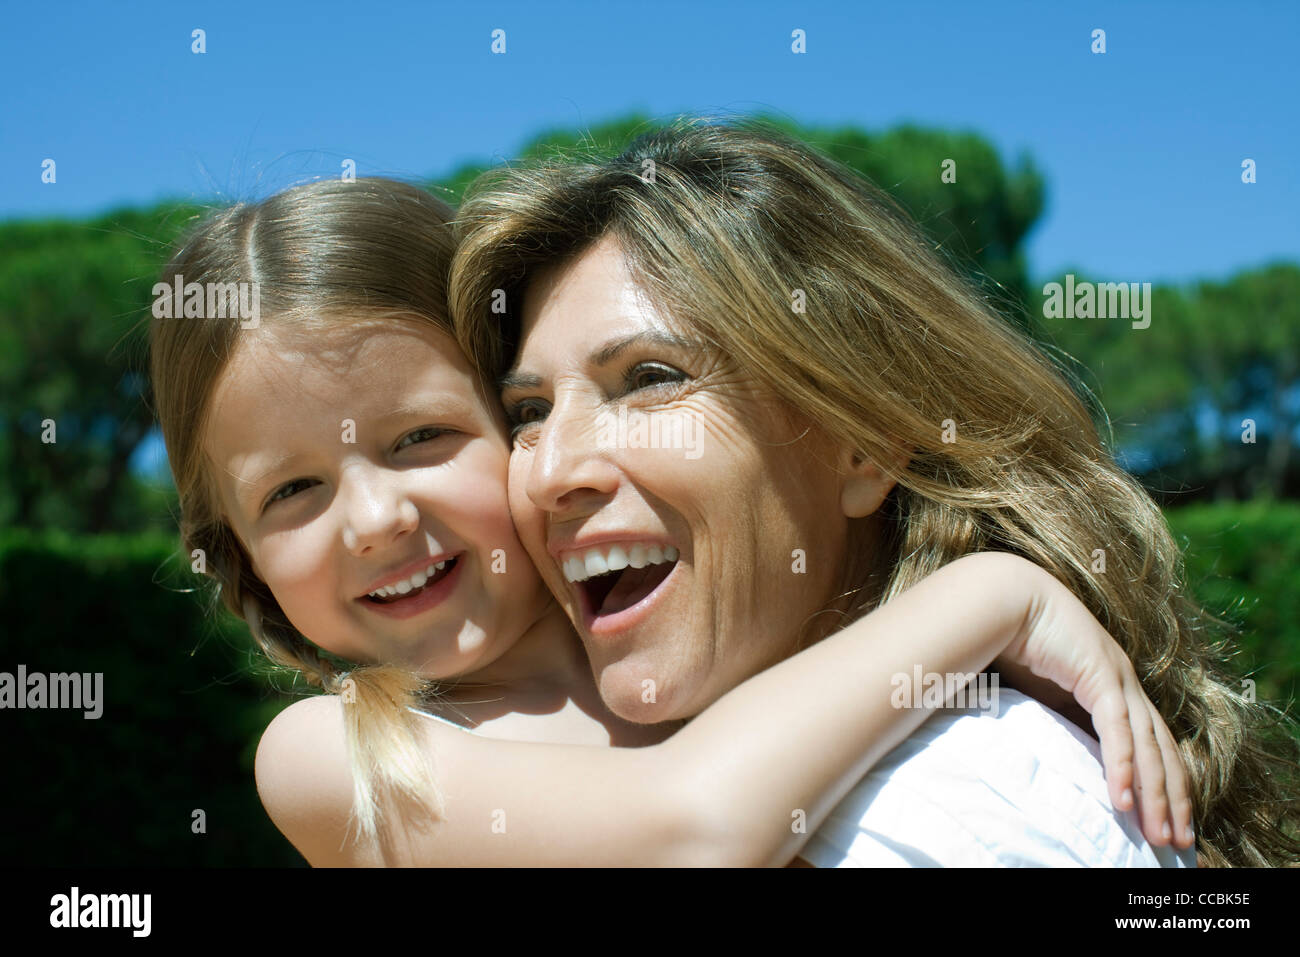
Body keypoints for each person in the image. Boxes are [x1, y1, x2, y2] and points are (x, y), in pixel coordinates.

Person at [149, 176, 1189, 867]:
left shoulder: (708, 662)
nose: (374, 518)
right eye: (291, 493)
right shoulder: (336, 755)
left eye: (421, 436)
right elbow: (691, 830)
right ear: (237, 555)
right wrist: (991, 594)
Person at [448, 116, 1300, 867]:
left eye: (650, 379)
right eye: (527, 410)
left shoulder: (972, 802)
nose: (552, 470)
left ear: (863, 445)